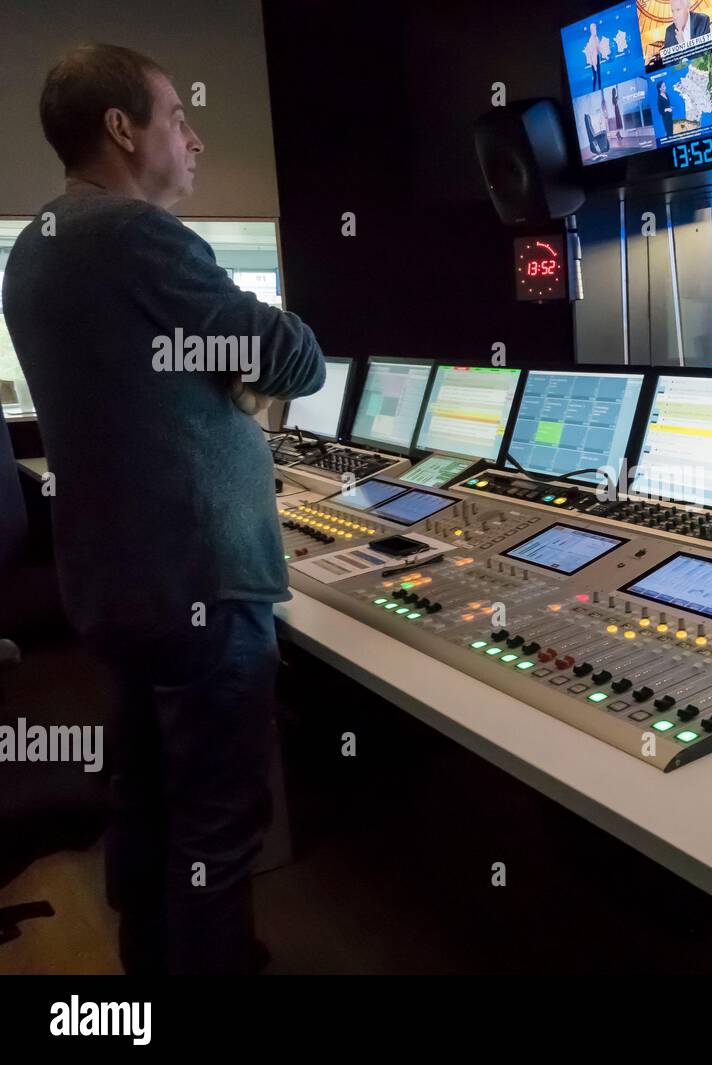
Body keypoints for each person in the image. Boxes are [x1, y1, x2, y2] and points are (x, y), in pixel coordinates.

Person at [2, 44, 325, 974]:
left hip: (119, 585)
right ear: (121, 128)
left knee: (145, 801)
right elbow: (295, 360)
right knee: (218, 827)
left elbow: (152, 381)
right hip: (200, 584)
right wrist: (243, 346)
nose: (194, 137)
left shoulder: (38, 246)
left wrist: (218, 361)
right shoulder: (139, 238)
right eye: (177, 116)